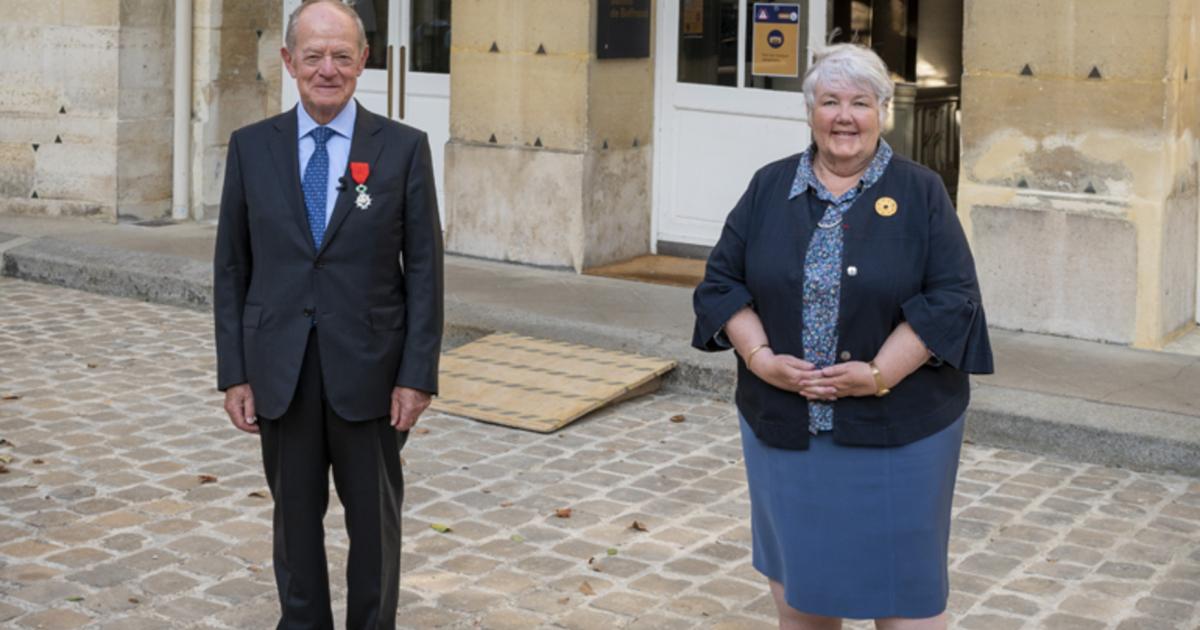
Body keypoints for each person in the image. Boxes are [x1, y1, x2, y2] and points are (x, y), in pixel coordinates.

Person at [692, 43, 993, 630]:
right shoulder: (768, 187)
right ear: (810, 112)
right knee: (804, 590)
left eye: (860, 101)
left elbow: (953, 299)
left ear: (882, 110)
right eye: (830, 101)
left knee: (903, 591)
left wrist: (880, 374)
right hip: (785, 425)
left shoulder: (922, 191)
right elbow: (721, 282)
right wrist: (759, 359)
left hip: (903, 433)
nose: (844, 116)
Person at [213, 1, 443, 627]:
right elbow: (232, 268)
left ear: (364, 61)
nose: (327, 69)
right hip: (278, 371)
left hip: (370, 373)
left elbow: (424, 271)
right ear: (288, 62)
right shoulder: (251, 148)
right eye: (312, 55)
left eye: (342, 55)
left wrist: (417, 373)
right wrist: (234, 372)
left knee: (374, 530)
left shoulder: (403, 149)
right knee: (294, 526)